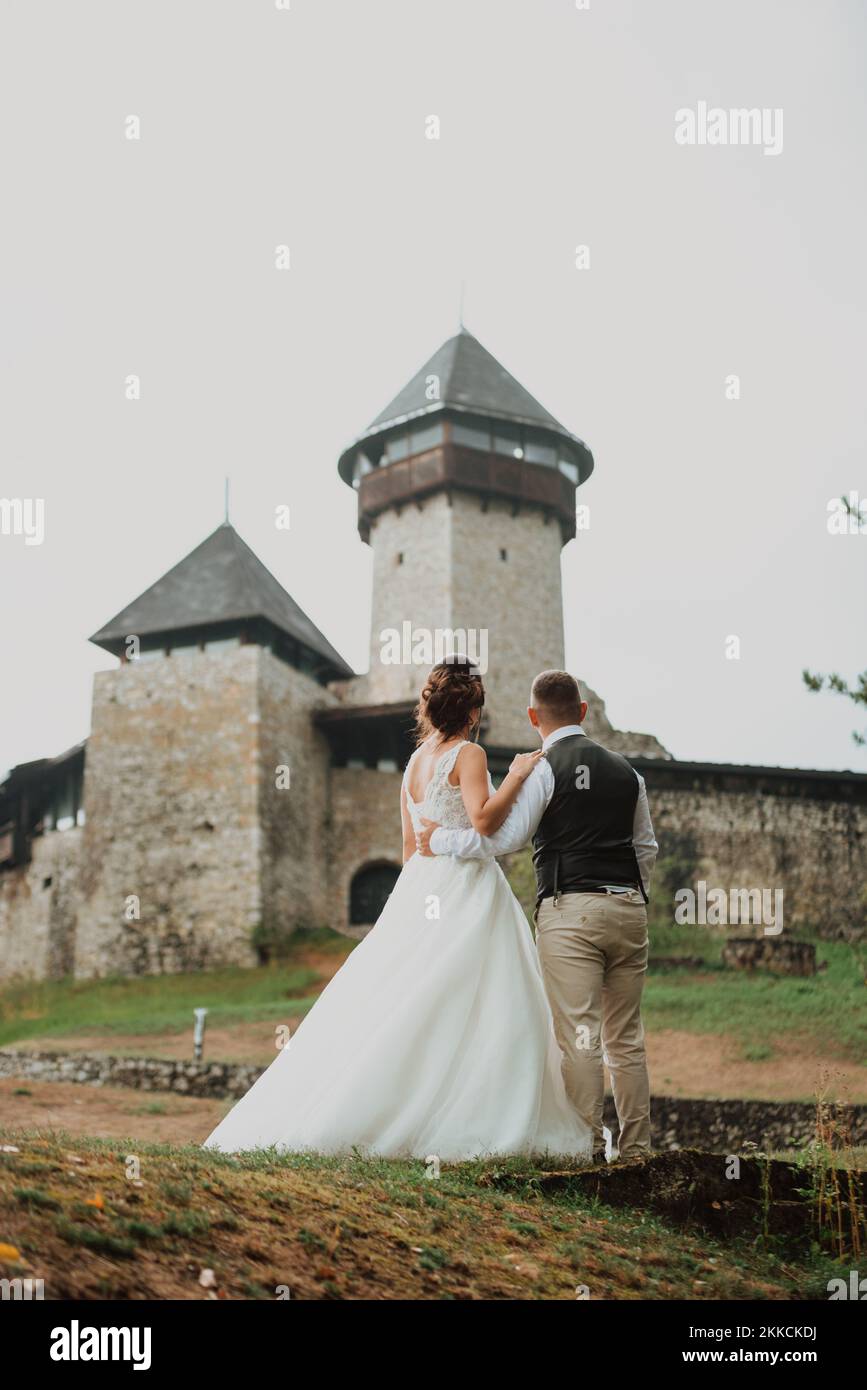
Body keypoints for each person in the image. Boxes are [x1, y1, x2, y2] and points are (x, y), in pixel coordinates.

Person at [202, 657, 592, 1163]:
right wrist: (517, 776)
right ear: (473, 711)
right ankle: (463, 1110)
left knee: (406, 995)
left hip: (419, 887)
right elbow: (484, 824)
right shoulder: (469, 754)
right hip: (464, 886)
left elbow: (411, 846)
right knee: (475, 997)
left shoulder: (413, 763)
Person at [417, 669, 657, 1163]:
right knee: (627, 1039)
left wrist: (438, 839)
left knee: (580, 1035)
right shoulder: (629, 773)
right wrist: (632, 896)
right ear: (583, 712)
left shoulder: (546, 768)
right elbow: (645, 847)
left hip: (571, 911)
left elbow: (503, 840)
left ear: (533, 717)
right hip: (630, 909)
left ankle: (587, 1150)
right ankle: (637, 1153)